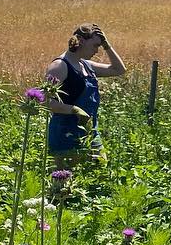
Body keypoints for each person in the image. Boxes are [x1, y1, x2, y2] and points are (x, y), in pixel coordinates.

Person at [45, 23, 126, 164]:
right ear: (81, 41)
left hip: (91, 132)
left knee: (100, 170)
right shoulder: (60, 66)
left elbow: (119, 69)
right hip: (66, 134)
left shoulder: (87, 65)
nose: (97, 51)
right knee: (68, 179)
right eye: (95, 45)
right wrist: (73, 109)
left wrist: (107, 45)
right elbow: (44, 100)